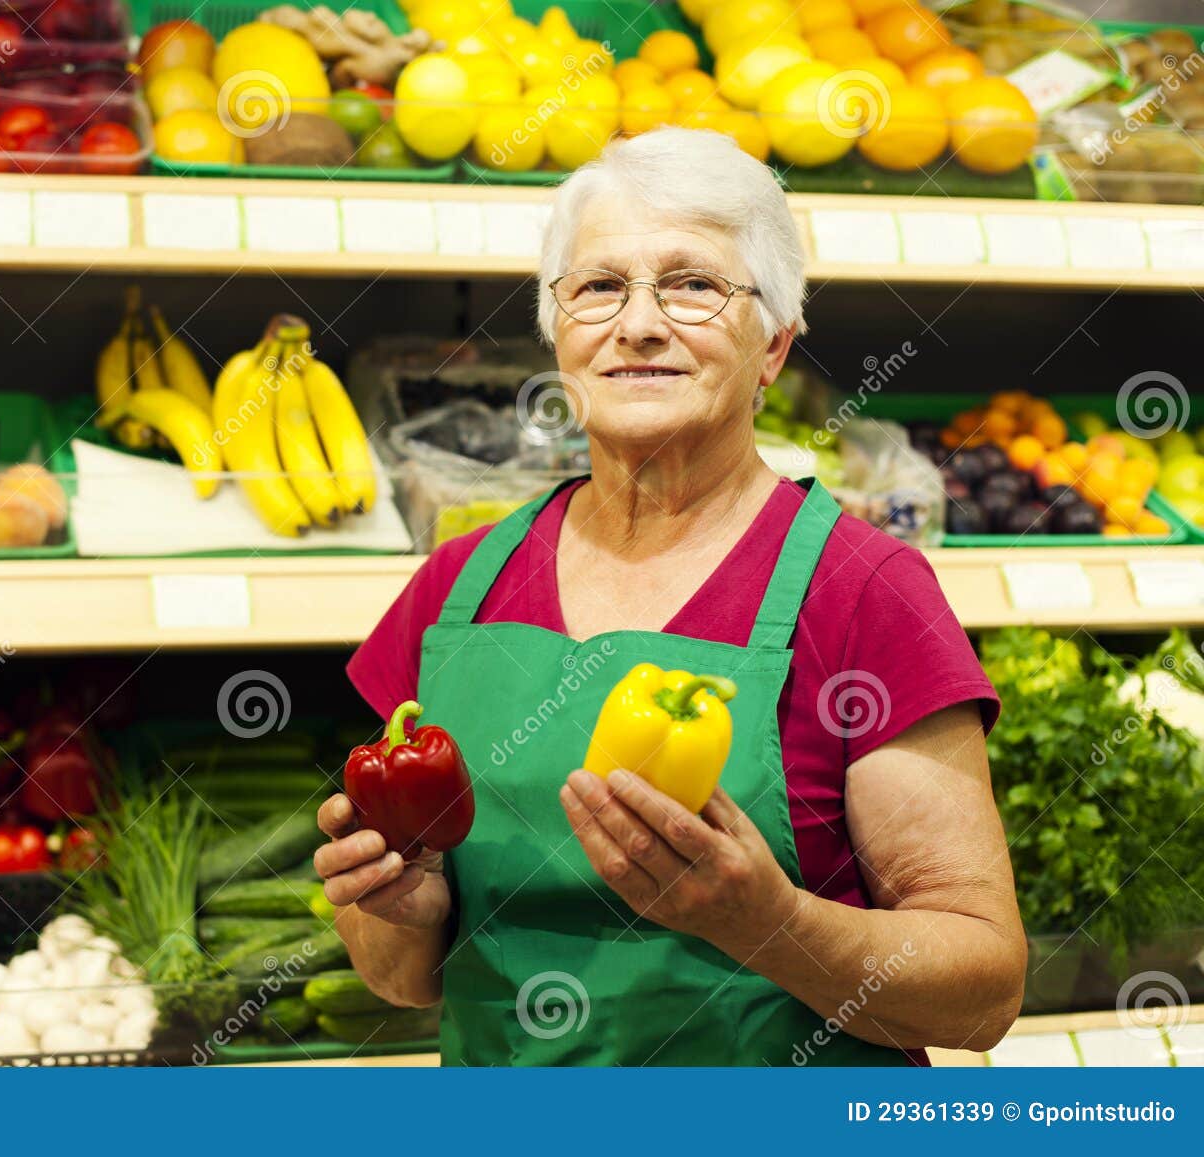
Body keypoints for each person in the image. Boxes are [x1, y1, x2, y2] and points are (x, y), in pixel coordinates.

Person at [315, 128, 1027, 1066]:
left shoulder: (863, 592)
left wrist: (771, 924)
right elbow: (406, 979)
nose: (639, 323)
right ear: (557, 334)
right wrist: (400, 910)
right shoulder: (458, 588)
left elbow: (982, 992)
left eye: (693, 285)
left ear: (773, 345)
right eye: (599, 287)